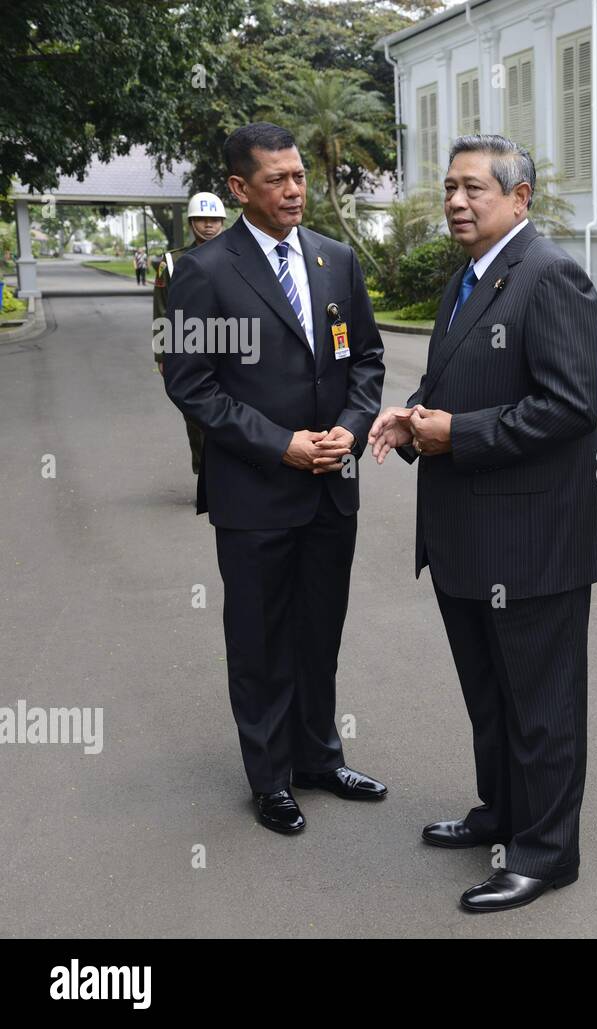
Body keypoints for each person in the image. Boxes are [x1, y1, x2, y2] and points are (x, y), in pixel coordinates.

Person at [368, 133, 597, 913]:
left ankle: (546, 854)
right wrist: (413, 420)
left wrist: (458, 434)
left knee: (541, 703)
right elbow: (457, 384)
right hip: (469, 535)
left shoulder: (552, 276)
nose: (455, 200)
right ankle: (503, 815)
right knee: (491, 695)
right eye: (449, 187)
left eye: (474, 188)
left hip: (534, 540)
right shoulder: (467, 280)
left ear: (520, 198)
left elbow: (573, 405)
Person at [163, 123, 388, 832]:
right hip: (255, 493)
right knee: (260, 639)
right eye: (277, 180)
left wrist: (349, 428)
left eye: (298, 176)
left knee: (320, 630)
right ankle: (270, 777)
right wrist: (280, 443)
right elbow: (191, 384)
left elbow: (368, 360)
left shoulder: (334, 259)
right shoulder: (204, 271)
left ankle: (318, 755)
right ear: (239, 188)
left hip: (331, 484)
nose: (295, 190)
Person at [153, 191, 228, 476]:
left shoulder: (238, 254)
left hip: (231, 342)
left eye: (214, 220)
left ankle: (232, 473)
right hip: (189, 346)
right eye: (202, 219)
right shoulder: (171, 263)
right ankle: (204, 472)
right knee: (196, 413)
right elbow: (161, 310)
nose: (209, 225)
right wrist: (162, 353)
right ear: (191, 222)